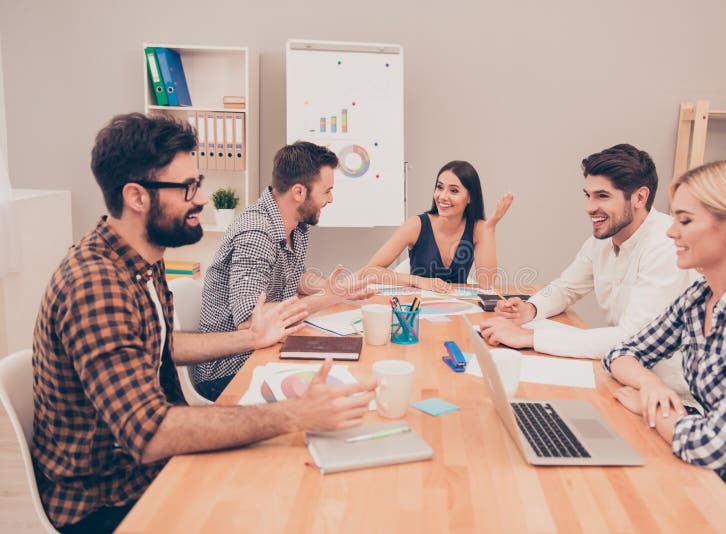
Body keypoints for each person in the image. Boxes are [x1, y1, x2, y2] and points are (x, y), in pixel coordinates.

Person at [31, 113, 376, 533]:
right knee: (288, 498)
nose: (203, 199)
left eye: (199, 184)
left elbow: (163, 343)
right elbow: (150, 433)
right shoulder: (96, 285)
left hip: (153, 469)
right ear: (136, 197)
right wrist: (295, 413)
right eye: (188, 188)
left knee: (304, 486)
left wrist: (251, 337)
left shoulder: (141, 259)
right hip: (111, 502)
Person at [603, 159, 726, 532]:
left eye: (685, 220)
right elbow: (620, 353)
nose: (671, 231)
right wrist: (650, 383)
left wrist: (653, 410)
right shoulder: (698, 298)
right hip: (704, 485)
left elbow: (715, 445)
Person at [480, 144, 696, 400]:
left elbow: (632, 337)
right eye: (588, 195)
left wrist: (530, 337)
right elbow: (565, 287)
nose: (589, 207)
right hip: (622, 376)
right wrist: (531, 309)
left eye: (602, 196)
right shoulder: (603, 239)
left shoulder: (666, 245)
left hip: (669, 396)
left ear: (639, 198)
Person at [193, 141, 376, 401]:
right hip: (230, 369)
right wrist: (328, 298)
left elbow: (294, 277)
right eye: (327, 191)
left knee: (353, 371)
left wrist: (329, 286)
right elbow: (249, 318)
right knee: (339, 395)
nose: (330, 199)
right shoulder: (256, 232)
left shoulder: (296, 225)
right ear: (299, 192)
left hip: (266, 348)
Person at [361, 160, 513, 292]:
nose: (442, 196)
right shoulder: (416, 225)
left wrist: (490, 227)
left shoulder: (478, 228)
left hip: (458, 309)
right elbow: (369, 272)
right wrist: (419, 281)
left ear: (470, 197)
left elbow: (487, 284)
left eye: (453, 191)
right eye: (440, 187)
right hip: (418, 309)